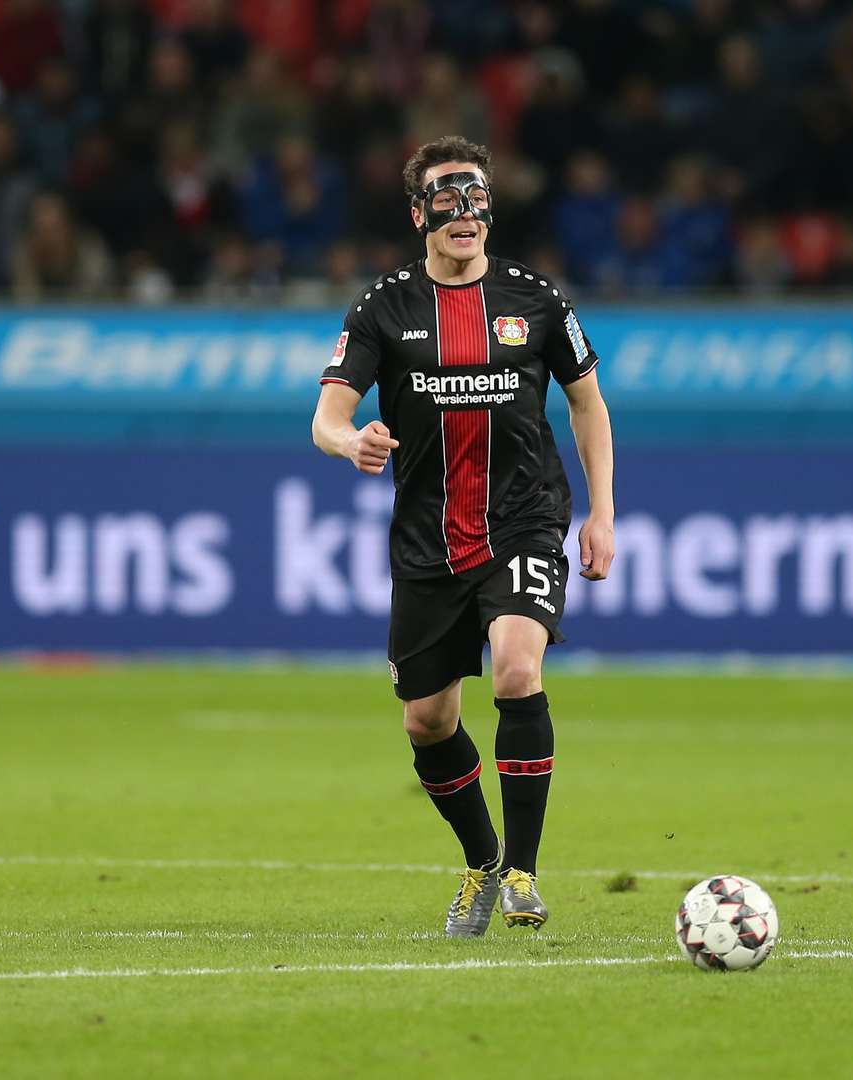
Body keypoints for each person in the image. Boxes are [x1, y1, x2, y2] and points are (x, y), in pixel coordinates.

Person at [310, 136, 617, 936]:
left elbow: (588, 404)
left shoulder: (539, 301)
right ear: (419, 214)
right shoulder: (383, 307)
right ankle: (481, 861)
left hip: (523, 519)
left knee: (518, 672)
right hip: (426, 542)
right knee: (428, 722)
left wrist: (602, 511)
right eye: (447, 199)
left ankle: (523, 871)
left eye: (476, 199)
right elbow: (328, 415)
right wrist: (354, 442)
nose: (465, 215)